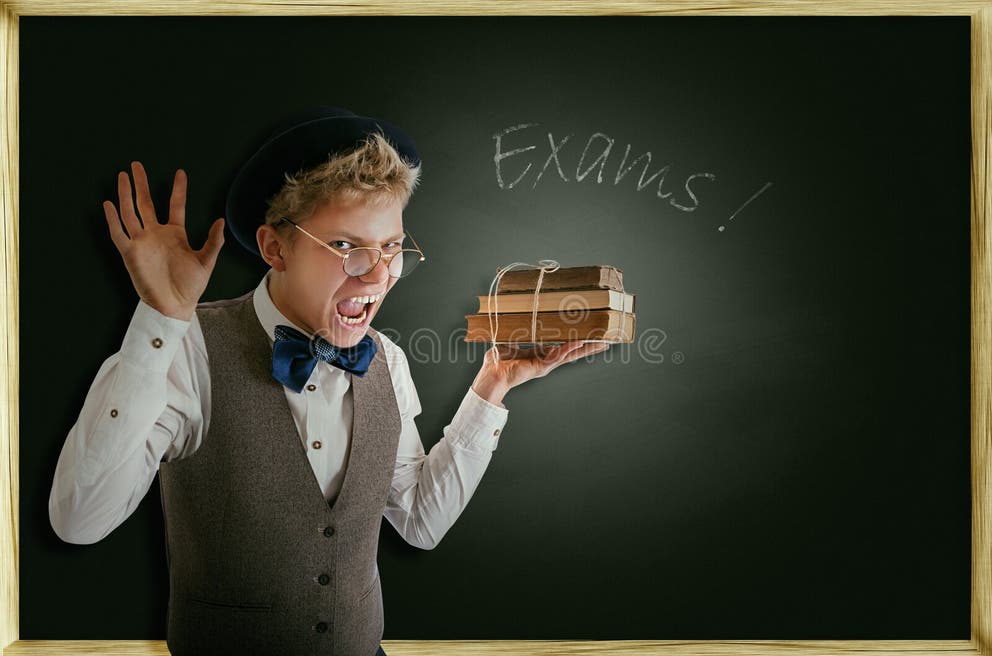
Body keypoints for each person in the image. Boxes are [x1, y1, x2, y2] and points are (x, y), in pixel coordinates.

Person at [48, 107, 610, 656]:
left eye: (391, 248)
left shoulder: (388, 360)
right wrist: (161, 321)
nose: (379, 275)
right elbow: (79, 521)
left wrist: (494, 383)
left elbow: (420, 521)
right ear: (275, 248)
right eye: (345, 246)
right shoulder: (187, 349)